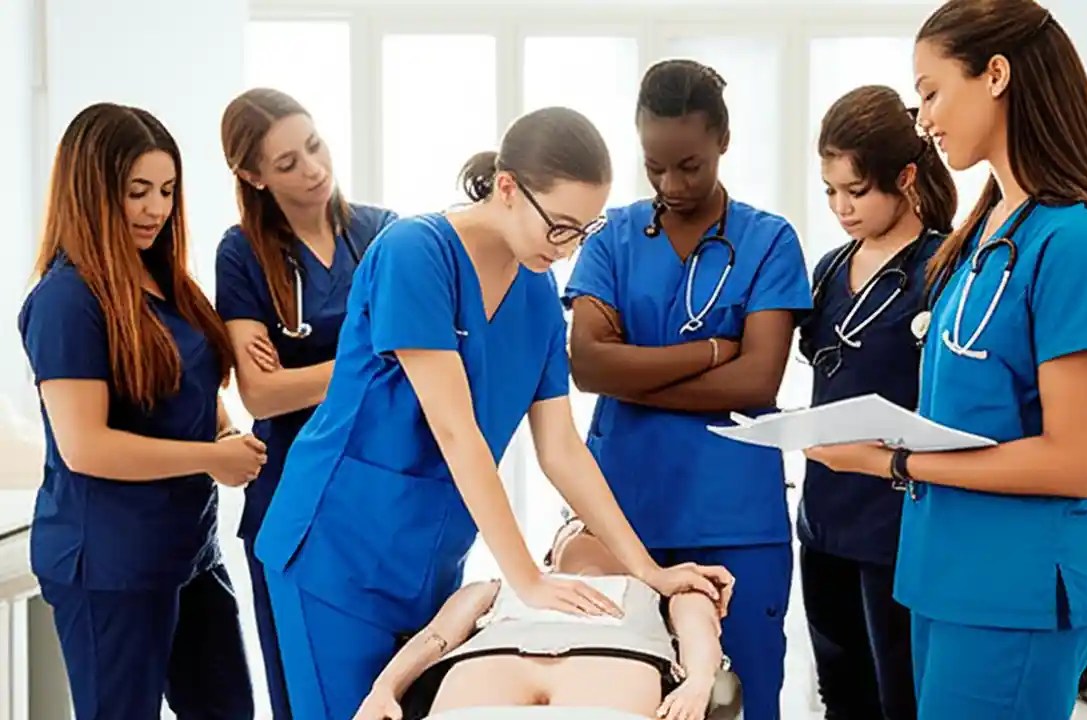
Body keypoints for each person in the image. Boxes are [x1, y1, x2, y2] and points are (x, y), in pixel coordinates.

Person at [252, 106, 735, 720]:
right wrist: (527, 580)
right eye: (559, 227)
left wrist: (649, 570)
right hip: (337, 546)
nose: (566, 251)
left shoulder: (535, 293)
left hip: (429, 552)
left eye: (582, 232)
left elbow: (561, 448)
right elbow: (455, 432)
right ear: (508, 188)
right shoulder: (414, 252)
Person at [804, 2, 1087, 718]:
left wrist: (892, 463)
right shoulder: (984, 236)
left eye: (930, 90)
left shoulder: (1077, 243)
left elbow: (1075, 461)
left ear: (996, 75)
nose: (923, 118)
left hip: (1012, 585)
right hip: (943, 573)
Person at [563, 59, 811, 720]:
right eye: (654, 166)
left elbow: (759, 378)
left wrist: (634, 372)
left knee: (744, 699)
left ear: (723, 140)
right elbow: (586, 365)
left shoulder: (768, 241)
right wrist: (706, 353)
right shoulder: (611, 237)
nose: (671, 184)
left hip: (735, 518)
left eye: (690, 165)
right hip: (623, 516)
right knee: (618, 699)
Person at [17, 102, 265, 719]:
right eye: (137, 192)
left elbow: (186, 387)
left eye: (167, 190)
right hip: (110, 561)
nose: (156, 209)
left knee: (228, 709)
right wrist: (213, 457)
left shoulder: (163, 282)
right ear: (92, 192)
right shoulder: (66, 302)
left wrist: (225, 429)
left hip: (188, 550)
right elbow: (87, 446)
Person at [215, 86, 398, 720]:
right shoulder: (241, 254)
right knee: (303, 693)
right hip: (289, 493)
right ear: (252, 175)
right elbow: (259, 391)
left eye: (314, 146)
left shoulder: (384, 235)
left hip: (380, 489)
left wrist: (309, 373)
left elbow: (416, 365)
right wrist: (363, 361)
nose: (314, 169)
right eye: (287, 163)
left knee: (394, 688)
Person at [798, 85, 957, 720]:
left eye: (856, 192)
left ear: (906, 177)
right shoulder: (831, 269)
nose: (841, 207)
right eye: (830, 191)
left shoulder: (946, 266)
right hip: (824, 519)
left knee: (901, 700)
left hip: (899, 521)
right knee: (840, 697)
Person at [353, 515, 742, 720]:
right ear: (551, 555)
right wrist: (383, 690)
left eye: (601, 527)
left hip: (610, 670)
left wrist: (699, 683)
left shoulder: (665, 588)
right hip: (490, 669)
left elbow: (700, 631)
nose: (588, 531)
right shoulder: (500, 588)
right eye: (575, 526)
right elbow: (436, 636)